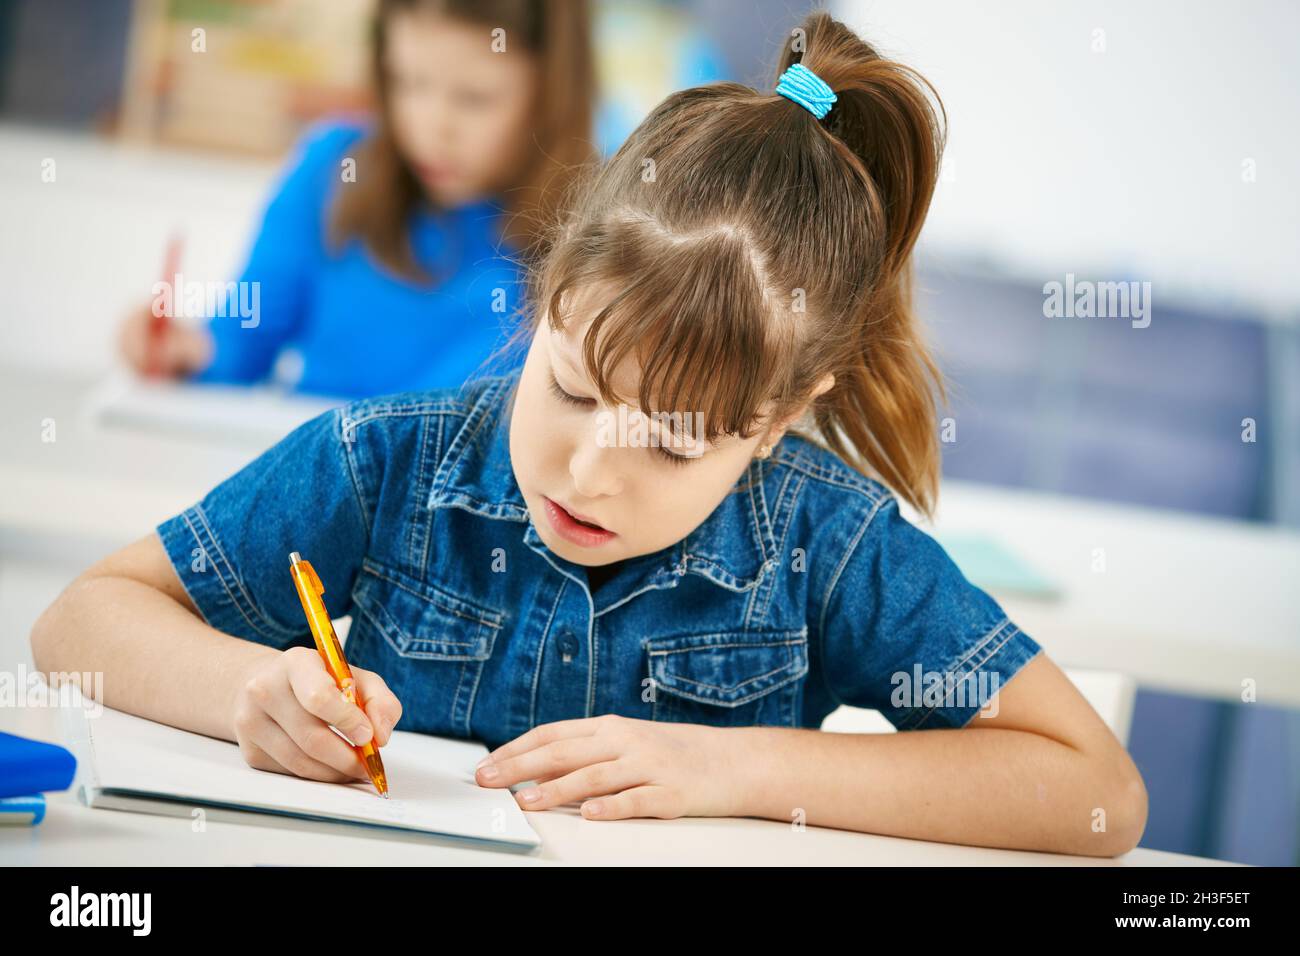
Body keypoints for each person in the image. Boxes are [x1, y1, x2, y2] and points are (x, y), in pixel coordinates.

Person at [38, 12, 1146, 855]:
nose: (587, 470)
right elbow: (77, 623)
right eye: (568, 388)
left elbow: (1095, 790)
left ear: (776, 422)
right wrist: (248, 692)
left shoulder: (823, 540)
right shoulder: (384, 462)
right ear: (545, 297)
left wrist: (740, 766)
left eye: (672, 444)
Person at [118, 0, 594, 398]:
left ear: (552, 91)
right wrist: (183, 353)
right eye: (408, 82)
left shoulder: (599, 221)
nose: (432, 125)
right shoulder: (332, 170)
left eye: (474, 97)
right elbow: (238, 345)